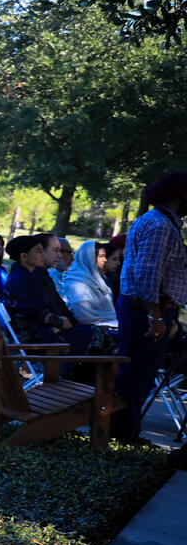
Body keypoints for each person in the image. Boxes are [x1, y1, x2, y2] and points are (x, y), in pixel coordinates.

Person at [111, 172, 187, 443]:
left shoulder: (160, 222)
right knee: (136, 373)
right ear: (179, 196)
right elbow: (147, 276)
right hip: (146, 309)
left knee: (140, 372)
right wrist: (156, 317)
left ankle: (123, 429)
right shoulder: (160, 226)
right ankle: (121, 432)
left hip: (152, 308)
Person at [4, 233, 93, 352]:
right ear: (24, 257)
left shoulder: (29, 276)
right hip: (37, 341)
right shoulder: (20, 281)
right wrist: (62, 322)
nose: (42, 255)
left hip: (45, 335)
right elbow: (37, 313)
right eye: (39, 252)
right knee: (97, 337)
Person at [62, 241, 118, 327]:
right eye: (101, 256)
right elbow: (84, 316)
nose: (105, 260)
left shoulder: (99, 281)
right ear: (90, 258)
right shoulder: (76, 284)